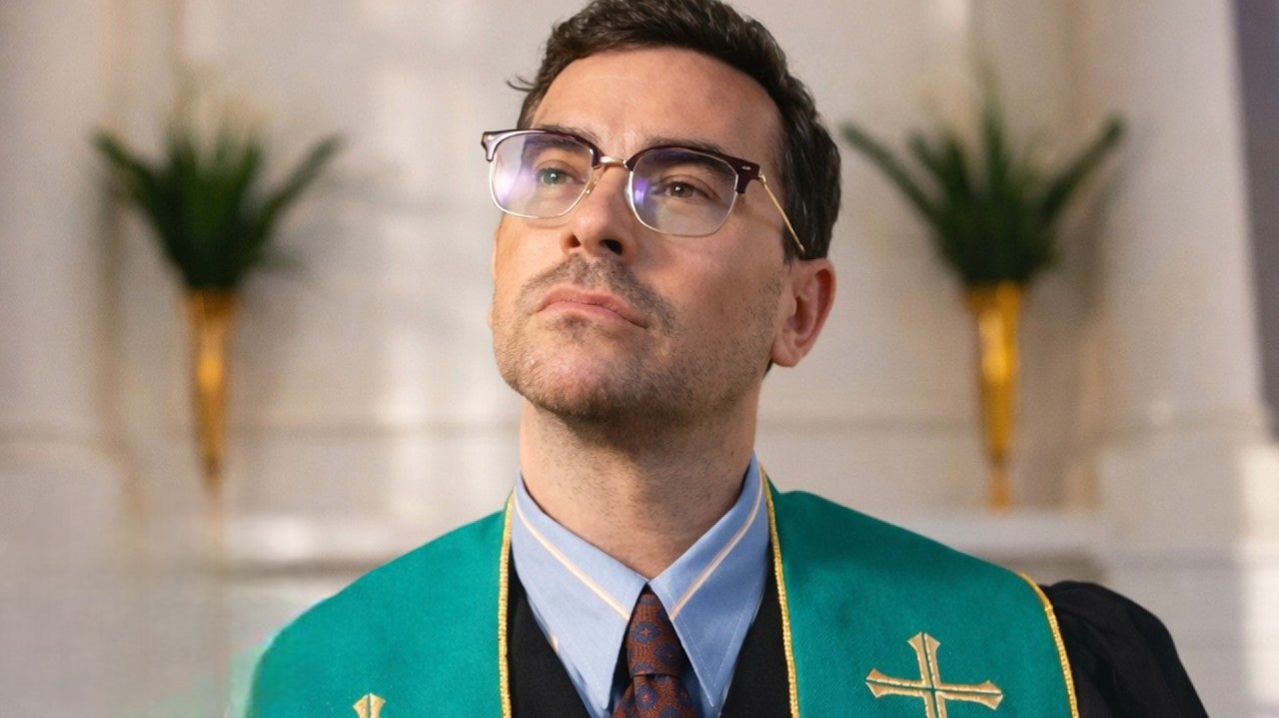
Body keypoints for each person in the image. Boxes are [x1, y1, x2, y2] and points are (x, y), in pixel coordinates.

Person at [247, 1, 1207, 716]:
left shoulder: (1048, 668)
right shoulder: (322, 684)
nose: (593, 222)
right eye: (556, 171)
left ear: (799, 309)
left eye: (682, 185)